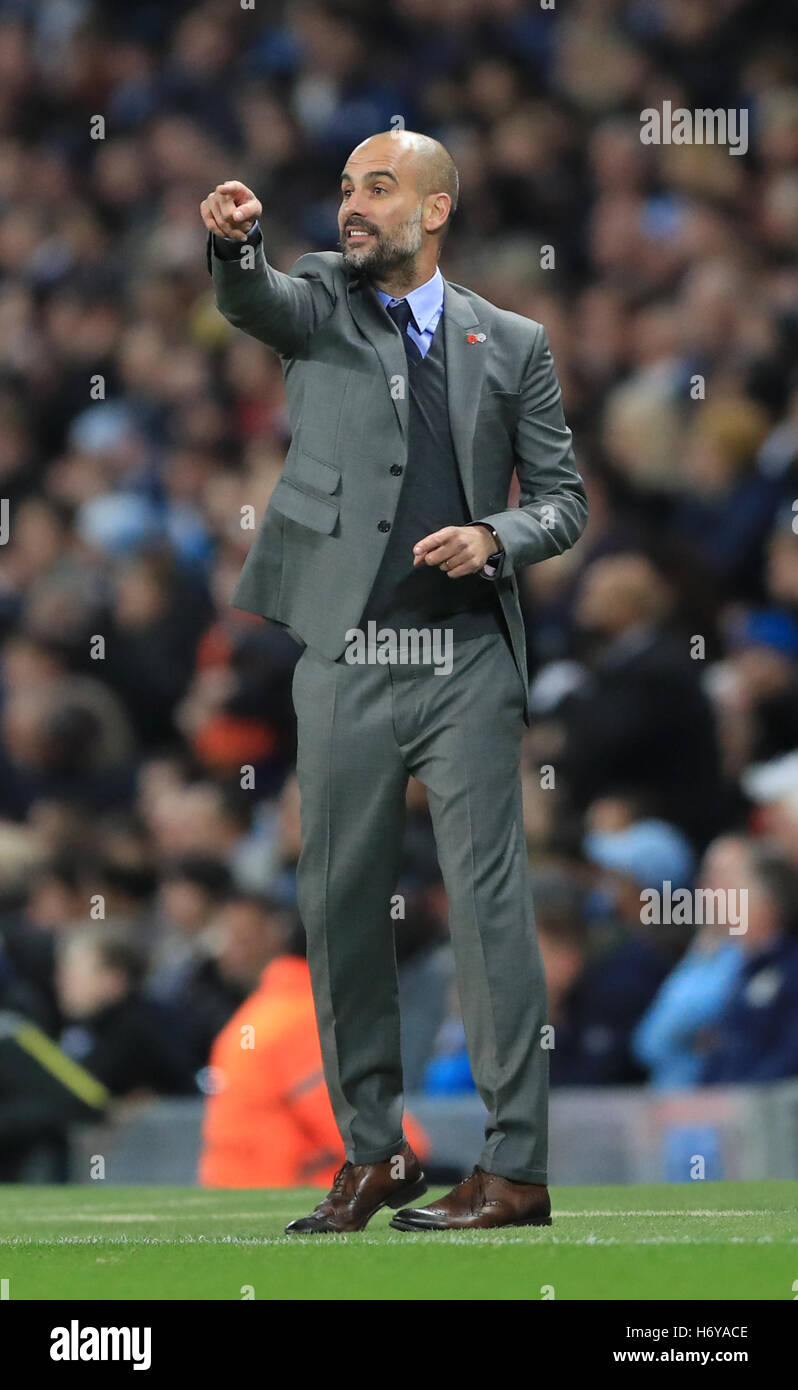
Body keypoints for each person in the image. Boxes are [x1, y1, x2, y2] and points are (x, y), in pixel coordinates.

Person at [201, 128, 587, 1232]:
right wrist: (235, 246)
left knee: (490, 907)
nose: (353, 206)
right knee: (337, 908)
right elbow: (253, 300)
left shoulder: (510, 340)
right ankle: (373, 1154)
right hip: (348, 658)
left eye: (379, 187)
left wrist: (496, 535)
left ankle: (514, 1171)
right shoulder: (318, 298)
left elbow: (565, 501)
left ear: (436, 210)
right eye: (345, 188)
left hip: (463, 657)